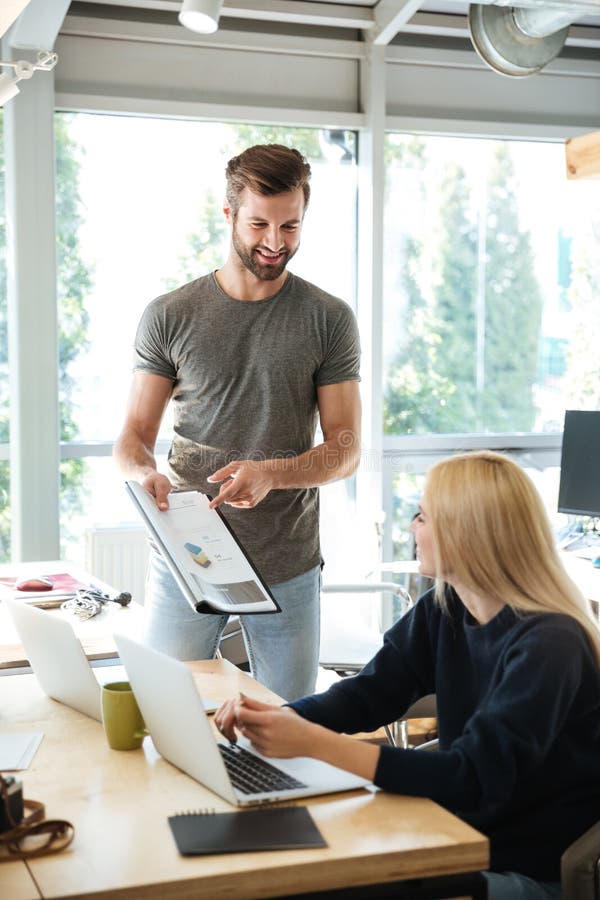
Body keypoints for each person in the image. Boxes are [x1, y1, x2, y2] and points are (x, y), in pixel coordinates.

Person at [216, 451, 600, 900]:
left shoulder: (550, 642)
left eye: (423, 517)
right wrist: (274, 717)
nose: (412, 529)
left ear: (470, 531)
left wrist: (313, 742)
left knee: (310, 886)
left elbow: (472, 780)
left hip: (525, 868)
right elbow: (367, 696)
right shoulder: (446, 608)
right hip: (457, 834)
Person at [114, 143, 361, 701]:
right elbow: (132, 438)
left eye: (290, 226)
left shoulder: (329, 319)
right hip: (187, 555)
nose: (275, 243)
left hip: (287, 559)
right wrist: (142, 474)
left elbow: (344, 448)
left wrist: (274, 473)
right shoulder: (170, 315)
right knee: (168, 709)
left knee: (288, 729)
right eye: (259, 224)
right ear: (228, 215)